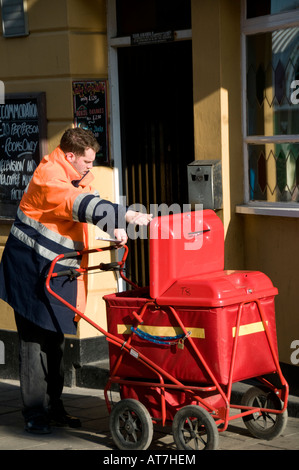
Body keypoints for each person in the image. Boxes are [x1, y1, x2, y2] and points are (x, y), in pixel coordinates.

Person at [0, 127, 152, 434]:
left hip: (54, 271)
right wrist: (123, 216)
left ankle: (54, 408)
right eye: (87, 161)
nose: (90, 167)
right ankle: (35, 414)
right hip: (29, 271)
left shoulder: (77, 174)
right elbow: (74, 203)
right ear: (70, 156)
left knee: (54, 342)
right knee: (34, 345)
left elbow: (86, 208)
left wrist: (112, 225)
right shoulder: (49, 176)